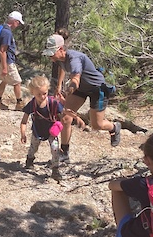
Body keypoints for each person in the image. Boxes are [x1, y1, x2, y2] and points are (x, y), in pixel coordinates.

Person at [42, 33, 120, 162]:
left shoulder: (75, 59)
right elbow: (62, 68)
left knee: (96, 125)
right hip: (82, 89)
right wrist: (58, 86)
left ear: (61, 49)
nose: (50, 57)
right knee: (66, 117)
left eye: (52, 53)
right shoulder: (59, 58)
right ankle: (64, 152)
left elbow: (76, 79)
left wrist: (68, 91)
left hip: (97, 88)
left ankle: (114, 127)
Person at [20, 75, 64, 180]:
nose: (42, 96)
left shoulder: (53, 103)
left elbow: (63, 116)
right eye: (38, 94)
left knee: (55, 149)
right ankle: (30, 159)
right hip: (37, 130)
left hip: (51, 131)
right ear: (33, 93)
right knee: (33, 147)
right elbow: (24, 121)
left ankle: (55, 170)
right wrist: (23, 134)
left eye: (45, 93)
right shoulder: (32, 104)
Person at [0, 11, 25, 111]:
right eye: (18, 22)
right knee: (17, 82)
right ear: (14, 21)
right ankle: (19, 103)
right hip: (7, 62)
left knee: (4, 81)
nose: (18, 25)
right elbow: (2, 51)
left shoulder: (3, 29)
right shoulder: (7, 33)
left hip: (4, 61)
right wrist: (4, 68)